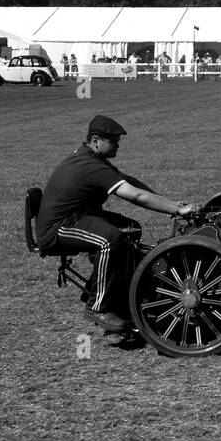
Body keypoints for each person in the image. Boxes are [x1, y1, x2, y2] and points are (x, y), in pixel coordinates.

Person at [36, 115, 199, 334]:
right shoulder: (89, 165)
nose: (118, 145)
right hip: (58, 227)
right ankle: (98, 306)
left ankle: (121, 296)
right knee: (109, 239)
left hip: (78, 217)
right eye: (114, 141)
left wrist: (169, 203)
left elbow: (130, 182)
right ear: (96, 141)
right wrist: (176, 210)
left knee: (130, 228)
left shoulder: (94, 160)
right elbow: (135, 196)